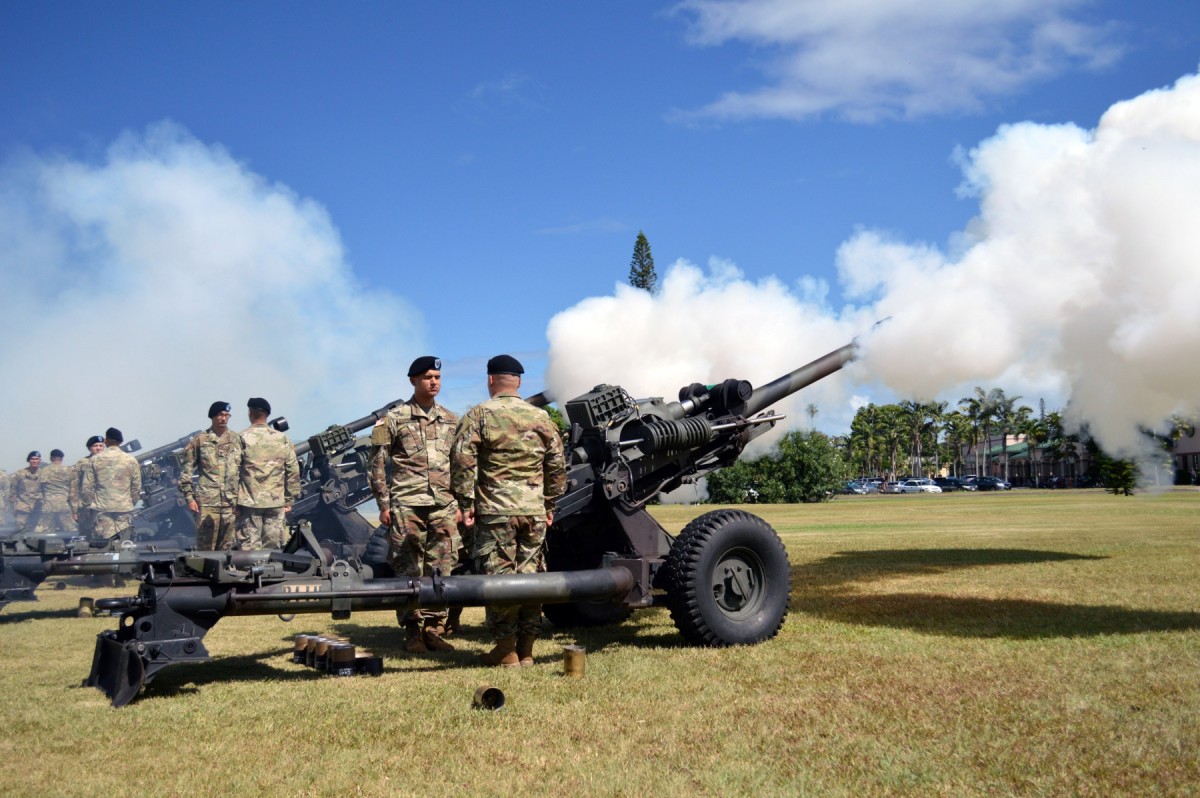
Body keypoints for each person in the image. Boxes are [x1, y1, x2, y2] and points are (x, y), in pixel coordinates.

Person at [451, 354, 566, 667]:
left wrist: (466, 504)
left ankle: (506, 649)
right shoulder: (542, 418)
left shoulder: (479, 414)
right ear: (519, 382)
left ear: (491, 380)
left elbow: (462, 461)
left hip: (495, 512)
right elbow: (557, 465)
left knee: (499, 578)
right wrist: (549, 505)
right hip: (533, 511)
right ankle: (526, 650)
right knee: (531, 577)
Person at [368, 356, 461, 653]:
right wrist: (384, 503)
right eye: (426, 377)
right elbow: (377, 465)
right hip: (407, 503)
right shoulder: (393, 419)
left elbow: (460, 464)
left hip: (443, 505)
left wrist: (459, 501)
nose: (433, 382)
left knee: (441, 567)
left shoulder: (451, 419)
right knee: (407, 568)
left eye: (437, 377)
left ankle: (434, 629)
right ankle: (412, 631)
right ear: (412, 381)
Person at [179, 401, 244, 550]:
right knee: (206, 547)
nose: (224, 418)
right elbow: (186, 471)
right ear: (213, 416)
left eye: (227, 415)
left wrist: (241, 500)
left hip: (231, 503)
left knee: (227, 547)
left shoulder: (237, 440)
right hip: (208, 502)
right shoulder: (200, 440)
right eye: (221, 415)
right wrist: (189, 498)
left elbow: (244, 471)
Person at [236, 398, 300, 550]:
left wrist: (232, 501)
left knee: (249, 548)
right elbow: (293, 470)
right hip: (276, 502)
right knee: (272, 548)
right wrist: (289, 499)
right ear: (267, 415)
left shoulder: (240, 438)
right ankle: (269, 573)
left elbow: (231, 472)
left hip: (249, 503)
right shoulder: (282, 439)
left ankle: (248, 573)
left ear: (250, 413)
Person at [81, 428, 142, 544]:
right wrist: (130, 502)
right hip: (124, 508)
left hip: (102, 509)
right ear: (120, 441)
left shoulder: (95, 459)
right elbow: (136, 487)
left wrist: (87, 506)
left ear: (106, 440)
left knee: (106, 544)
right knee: (124, 543)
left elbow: (87, 488)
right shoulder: (131, 460)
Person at [69, 436, 106, 538]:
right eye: (95, 446)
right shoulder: (81, 464)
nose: (98, 448)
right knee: (86, 535)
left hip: (106, 506)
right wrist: (74, 510)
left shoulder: (110, 463)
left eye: (101, 446)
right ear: (90, 448)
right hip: (87, 507)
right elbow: (74, 487)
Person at [36, 449, 75, 533]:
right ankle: (70, 545)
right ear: (61, 458)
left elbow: (39, 489)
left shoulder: (44, 471)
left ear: (51, 458)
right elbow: (73, 492)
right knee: (69, 530)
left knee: (44, 531)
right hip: (63, 504)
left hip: (48, 504)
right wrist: (74, 509)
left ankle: (44, 546)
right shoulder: (68, 470)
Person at [9, 451, 43, 532]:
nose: (34, 461)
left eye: (37, 459)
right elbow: (13, 491)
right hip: (23, 507)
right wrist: (13, 506)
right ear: (28, 460)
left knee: (39, 532)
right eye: (32, 459)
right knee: (19, 529)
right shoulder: (20, 474)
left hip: (38, 507)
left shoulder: (44, 474)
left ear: (40, 461)